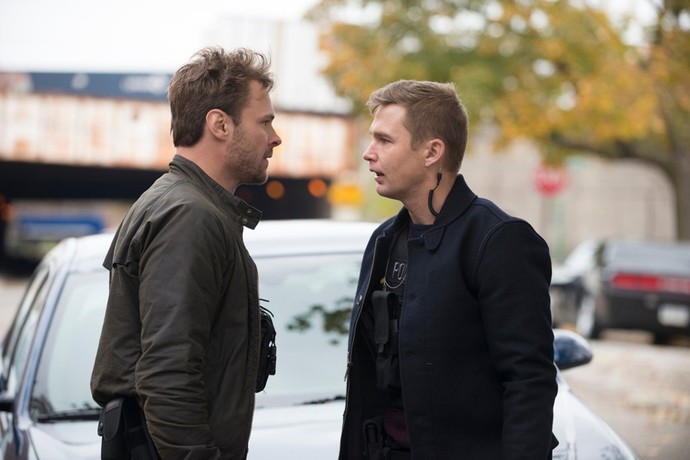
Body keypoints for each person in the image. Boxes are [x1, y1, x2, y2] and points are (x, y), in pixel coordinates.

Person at [339, 80, 558, 459]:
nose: (368, 153)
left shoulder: (499, 241)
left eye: (384, 140)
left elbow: (528, 380)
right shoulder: (384, 241)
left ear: (432, 152)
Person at [91, 46, 282, 460]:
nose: (275, 137)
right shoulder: (189, 216)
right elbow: (167, 371)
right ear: (220, 124)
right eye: (264, 122)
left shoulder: (182, 204)